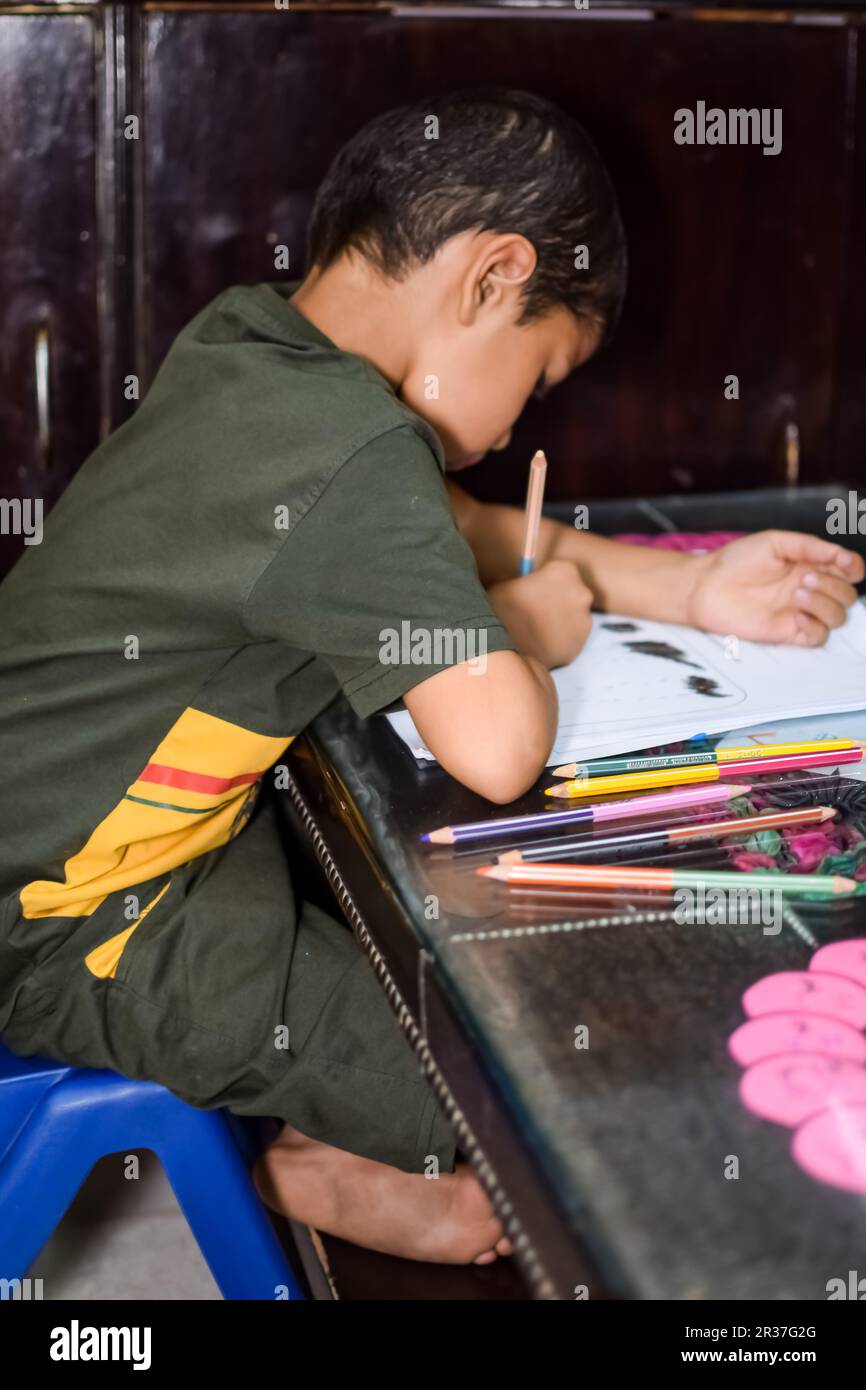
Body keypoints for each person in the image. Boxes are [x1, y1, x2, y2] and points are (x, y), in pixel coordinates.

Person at [1, 87, 861, 1270]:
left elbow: (447, 523)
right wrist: (521, 629)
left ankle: (312, 1117)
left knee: (404, 951)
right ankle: (323, 1171)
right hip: (66, 918)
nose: (515, 431)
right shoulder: (349, 450)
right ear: (491, 277)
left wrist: (688, 589)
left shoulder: (254, 347)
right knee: (518, 1100)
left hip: (117, 839)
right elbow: (498, 749)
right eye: (540, 376)